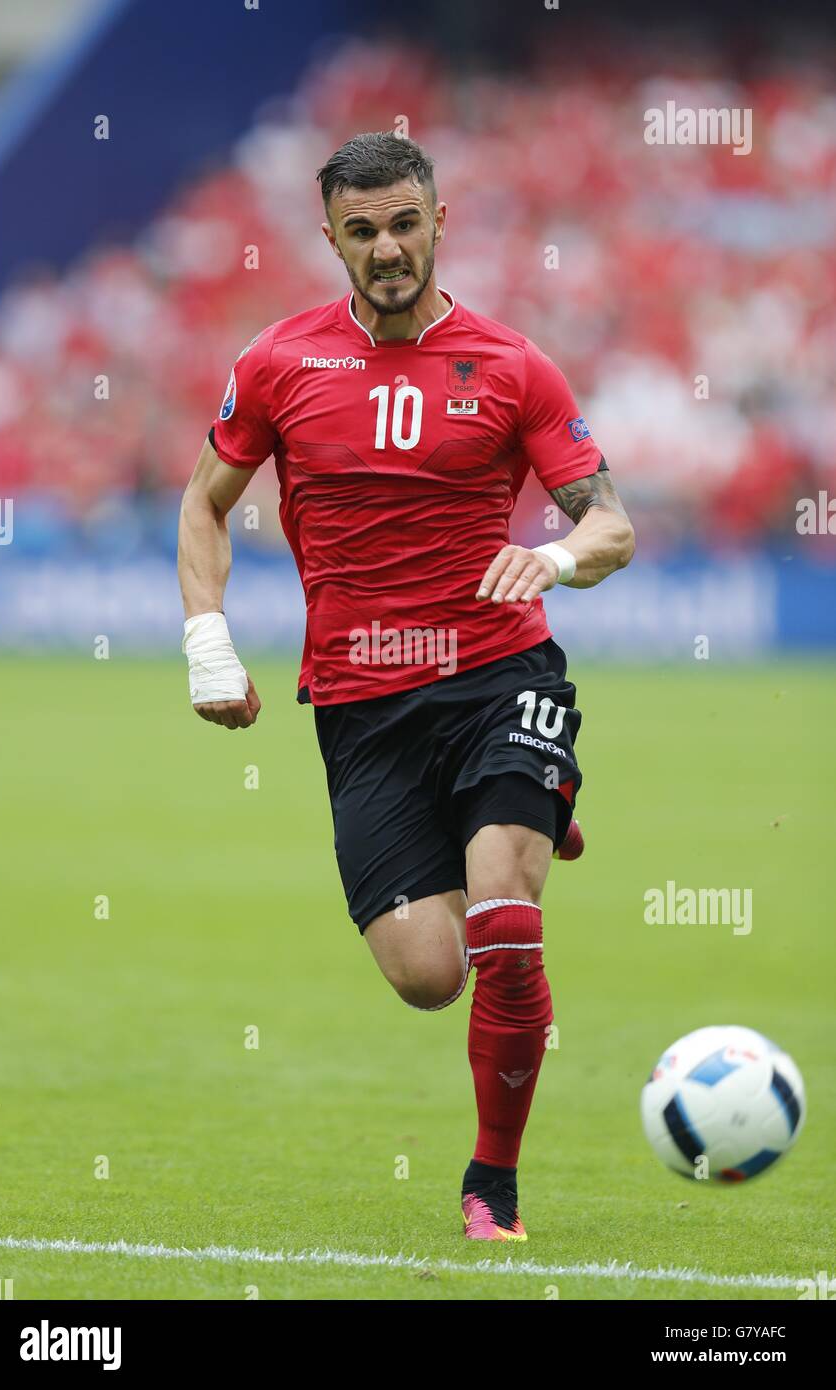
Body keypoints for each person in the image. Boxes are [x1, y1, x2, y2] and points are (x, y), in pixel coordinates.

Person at [177, 131, 634, 1241]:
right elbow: (203, 503)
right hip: (359, 699)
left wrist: (559, 558)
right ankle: (540, 806)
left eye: (406, 223)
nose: (388, 248)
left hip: (497, 670)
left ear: (439, 221)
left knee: (503, 927)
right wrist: (207, 641)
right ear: (328, 234)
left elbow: (610, 522)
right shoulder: (278, 364)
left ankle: (493, 1185)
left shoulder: (513, 364)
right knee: (430, 975)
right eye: (364, 229)